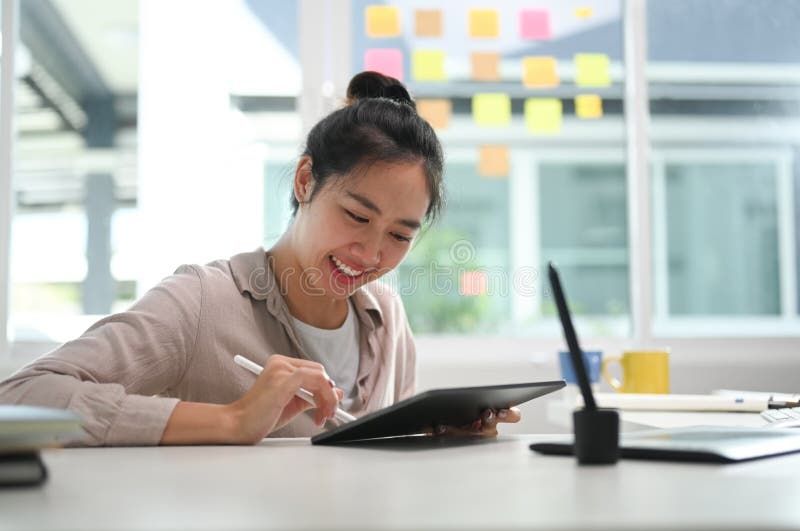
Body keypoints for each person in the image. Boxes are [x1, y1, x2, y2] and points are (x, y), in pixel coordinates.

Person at [0, 72, 520, 446]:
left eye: (400, 235)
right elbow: (21, 397)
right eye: (357, 217)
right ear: (304, 181)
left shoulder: (387, 320)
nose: (370, 254)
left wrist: (434, 435)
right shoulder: (202, 303)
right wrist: (231, 421)